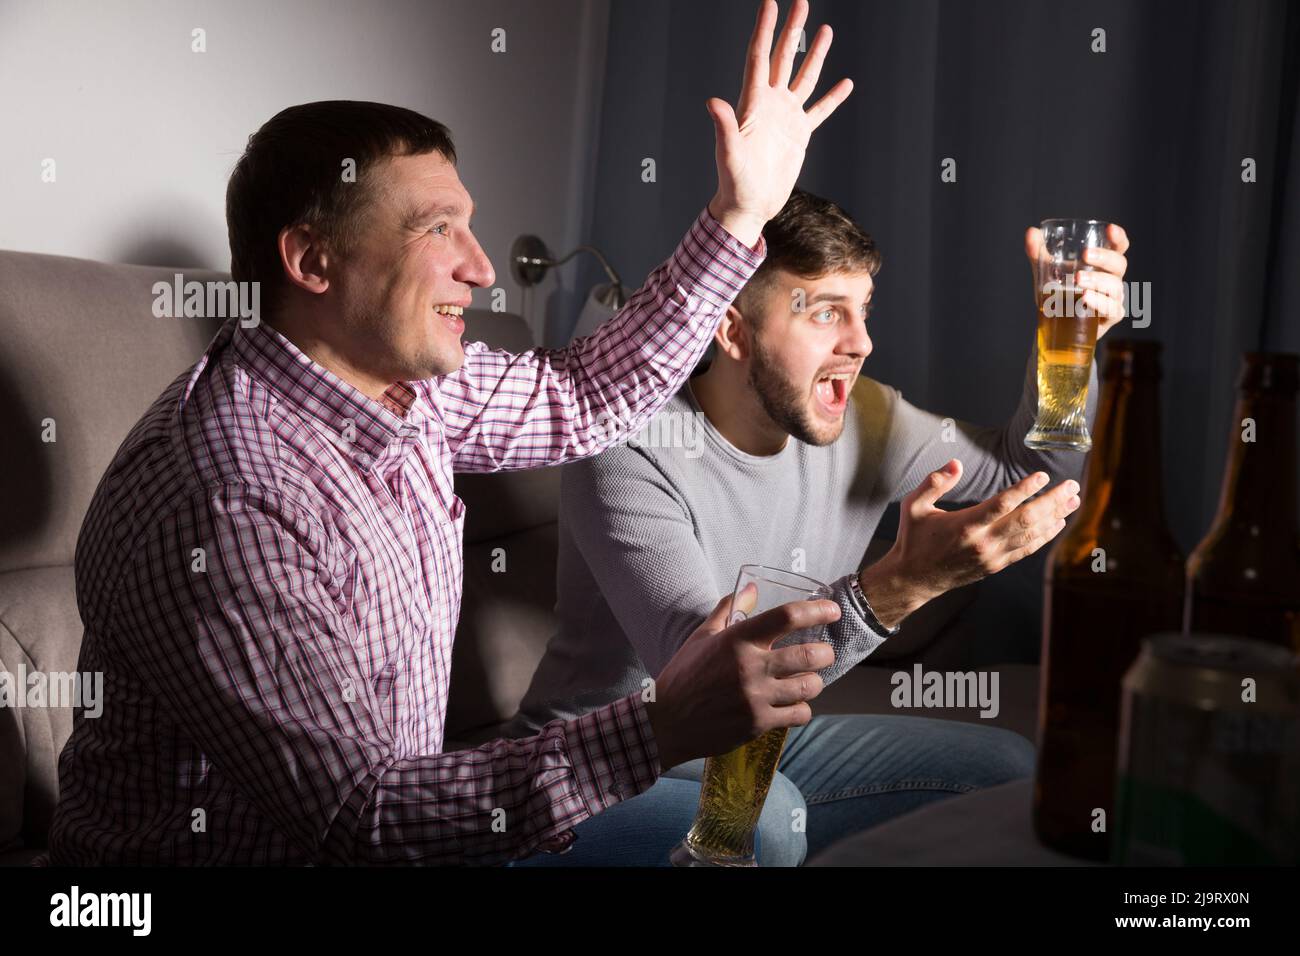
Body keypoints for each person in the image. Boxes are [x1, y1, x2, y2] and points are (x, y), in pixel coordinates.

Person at [43, 0, 855, 865]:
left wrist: (739, 215)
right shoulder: (229, 496)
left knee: (862, 801)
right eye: (439, 230)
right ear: (312, 260)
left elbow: (582, 396)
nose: (481, 266)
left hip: (421, 823)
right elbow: (361, 816)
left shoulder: (406, 388)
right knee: (762, 833)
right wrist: (655, 727)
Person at [507, 187, 1131, 865]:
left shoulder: (866, 419)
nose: (861, 342)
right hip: (595, 766)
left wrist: (1067, 345)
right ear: (731, 328)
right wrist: (900, 586)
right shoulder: (628, 445)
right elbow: (712, 681)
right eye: (825, 313)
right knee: (769, 821)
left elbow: (1034, 471)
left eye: (863, 310)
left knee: (1004, 768)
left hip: (758, 737)